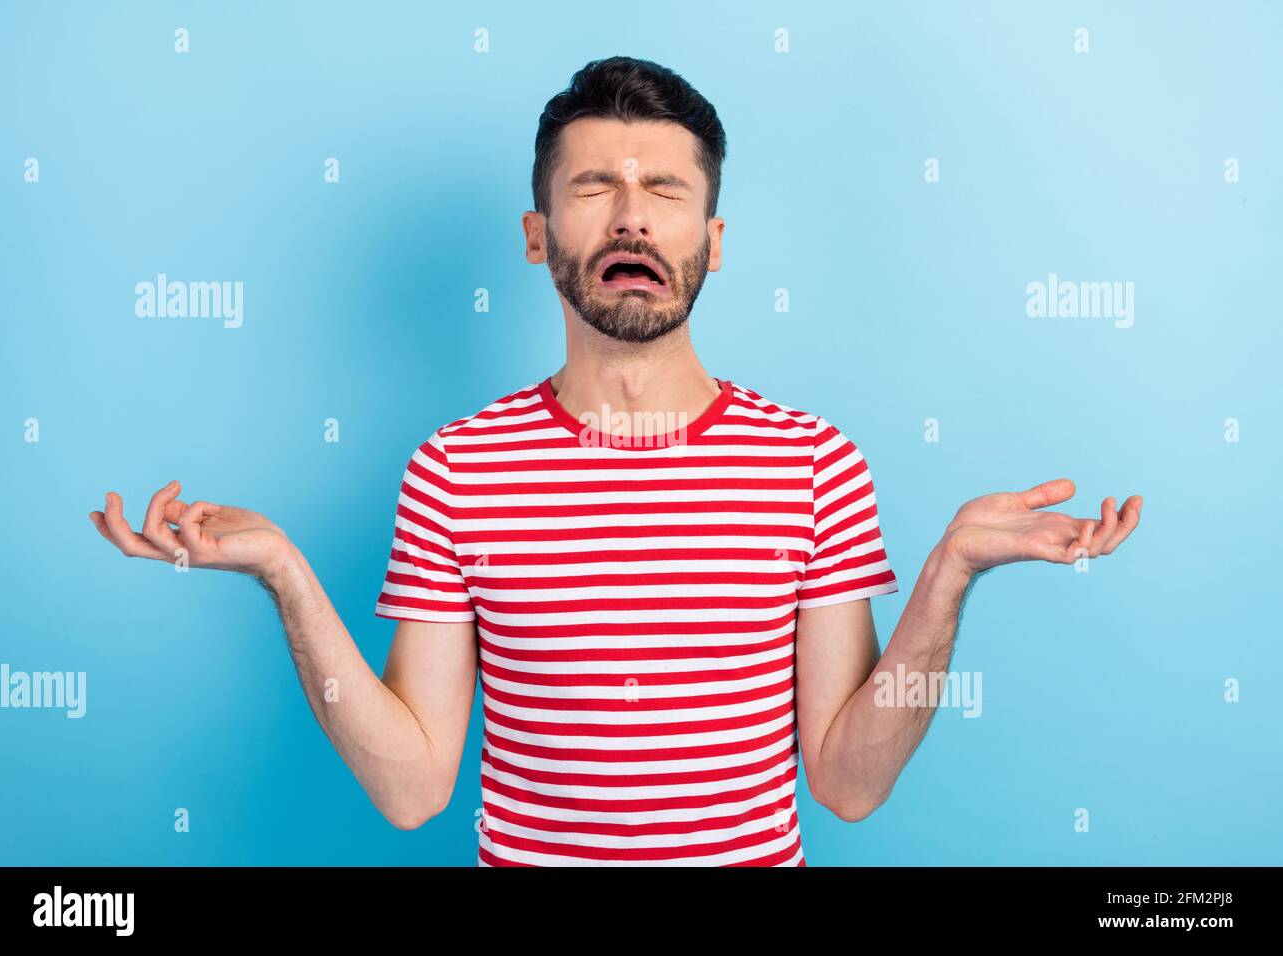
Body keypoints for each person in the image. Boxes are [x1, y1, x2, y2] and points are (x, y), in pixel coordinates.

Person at [89, 56, 1141, 866]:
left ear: (712, 239)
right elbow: (412, 787)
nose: (632, 213)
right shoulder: (454, 468)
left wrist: (948, 576)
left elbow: (848, 781)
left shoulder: (813, 463)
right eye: (594, 184)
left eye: (664, 189)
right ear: (538, 234)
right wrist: (285, 573)